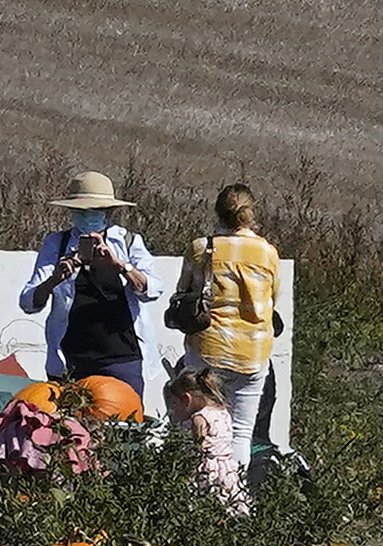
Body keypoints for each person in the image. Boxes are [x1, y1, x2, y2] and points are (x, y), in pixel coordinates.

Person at [21, 170, 157, 398]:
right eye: (81, 211)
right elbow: (28, 302)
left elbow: (152, 289)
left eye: (95, 211)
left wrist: (119, 265)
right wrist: (56, 278)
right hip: (71, 359)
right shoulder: (57, 244)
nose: (88, 217)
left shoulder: (128, 242)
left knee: (124, 415)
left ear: (108, 212)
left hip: (121, 357)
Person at [185, 184, 280, 478]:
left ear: (218, 213)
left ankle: (195, 488)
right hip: (252, 353)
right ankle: (233, 490)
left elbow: (184, 293)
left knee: (198, 422)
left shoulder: (201, 248)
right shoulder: (268, 252)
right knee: (240, 431)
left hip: (208, 348)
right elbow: (273, 299)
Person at [166, 365, 249, 516]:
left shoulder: (199, 419)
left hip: (208, 468)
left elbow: (198, 449)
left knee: (203, 502)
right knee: (227, 499)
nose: (174, 410)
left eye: (175, 404)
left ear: (187, 399)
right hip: (226, 466)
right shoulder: (223, 411)